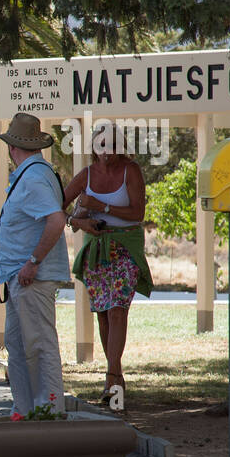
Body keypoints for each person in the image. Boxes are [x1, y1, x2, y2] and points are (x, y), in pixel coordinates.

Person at [62, 119, 152, 403]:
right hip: (96, 249)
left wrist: (101, 206)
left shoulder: (131, 171)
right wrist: (76, 221)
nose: (106, 152)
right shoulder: (86, 175)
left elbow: (137, 214)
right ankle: (116, 376)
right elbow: (56, 206)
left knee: (117, 310)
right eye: (101, 146)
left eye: (112, 145)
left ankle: (112, 378)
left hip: (124, 245)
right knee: (102, 313)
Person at [0, 112, 69, 416]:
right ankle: (24, 409)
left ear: (12, 147)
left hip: (30, 277)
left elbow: (55, 220)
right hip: (19, 276)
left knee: (38, 345)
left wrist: (33, 261)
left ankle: (48, 410)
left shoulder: (34, 176)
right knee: (20, 345)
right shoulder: (33, 173)